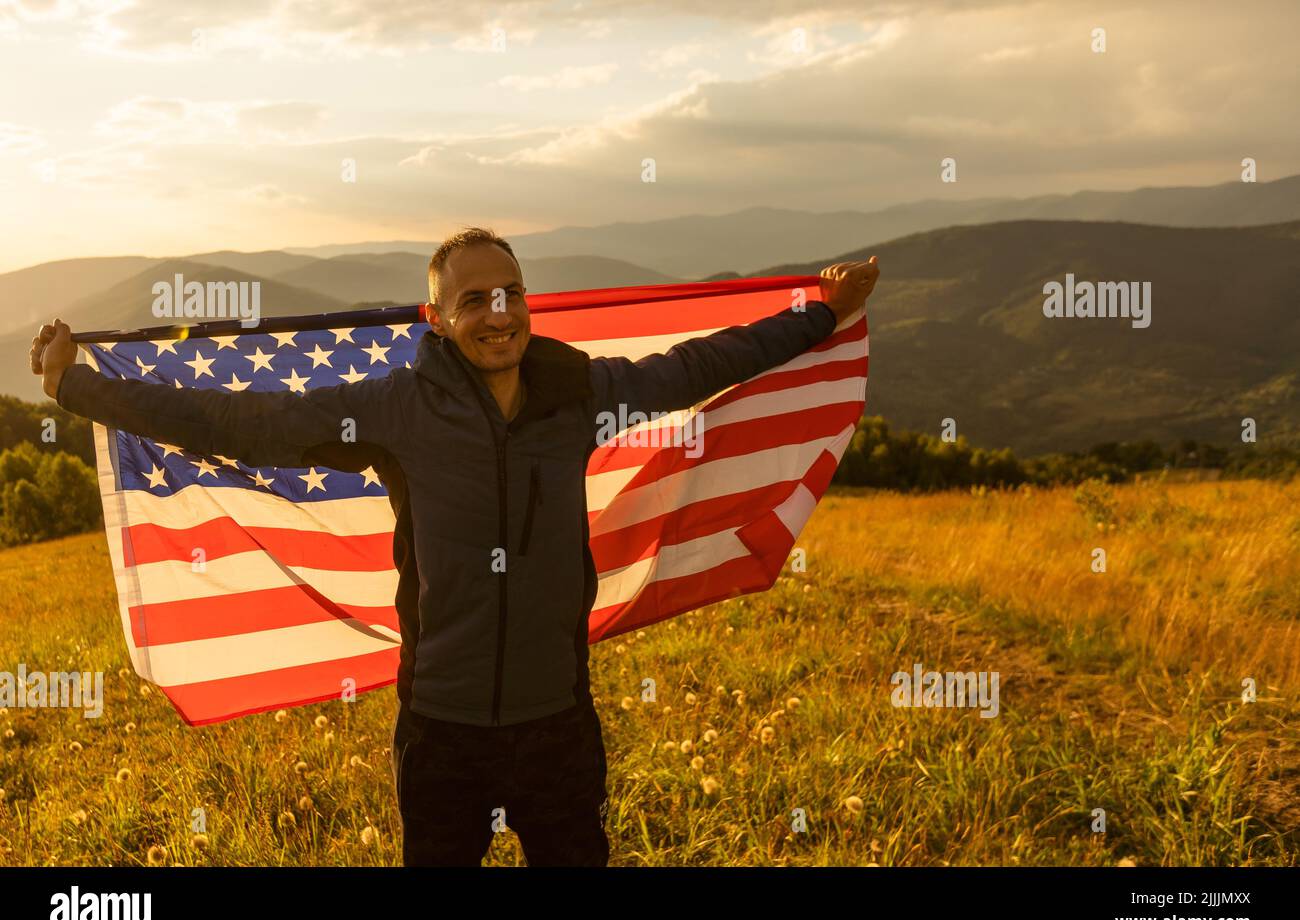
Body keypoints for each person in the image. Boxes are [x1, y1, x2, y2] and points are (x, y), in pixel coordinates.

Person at [31, 227, 880, 866]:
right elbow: (243, 423)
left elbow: (702, 364)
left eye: (509, 292)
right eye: (473, 301)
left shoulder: (580, 391)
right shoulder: (399, 409)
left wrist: (820, 314)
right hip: (442, 733)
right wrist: (79, 386)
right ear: (436, 320)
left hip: (558, 725)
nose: (497, 313)